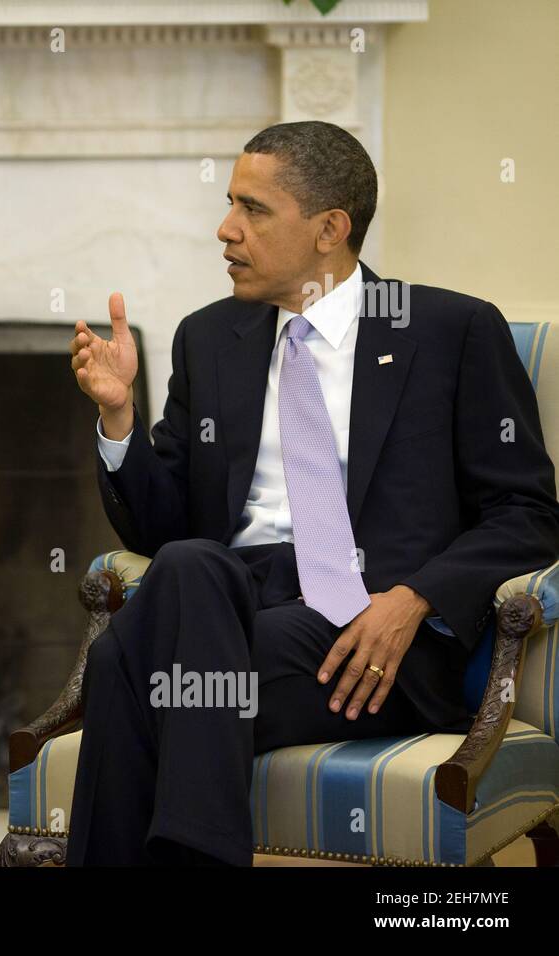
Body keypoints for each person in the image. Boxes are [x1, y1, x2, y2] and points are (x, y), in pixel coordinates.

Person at [66, 120, 559, 865]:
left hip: (371, 631)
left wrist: (414, 597)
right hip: (230, 599)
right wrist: (118, 414)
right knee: (193, 566)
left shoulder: (450, 330)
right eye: (230, 203)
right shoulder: (210, 338)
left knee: (120, 669)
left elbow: (527, 513)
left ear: (331, 228)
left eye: (253, 209)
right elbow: (159, 526)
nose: (224, 230)